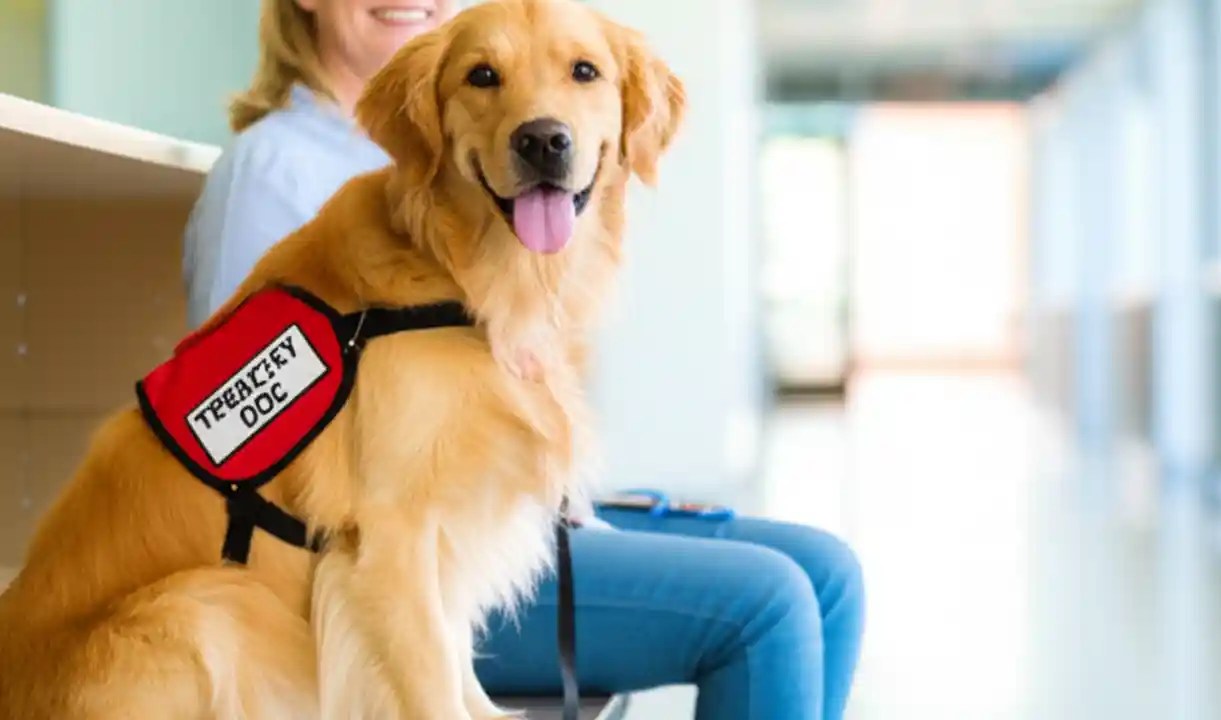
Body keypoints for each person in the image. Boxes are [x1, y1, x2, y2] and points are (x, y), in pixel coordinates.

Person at [183, 1, 865, 718]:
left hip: (519, 524)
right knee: (768, 607)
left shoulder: (478, 143)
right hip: (405, 574)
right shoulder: (276, 167)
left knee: (828, 575)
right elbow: (239, 449)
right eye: (482, 78)